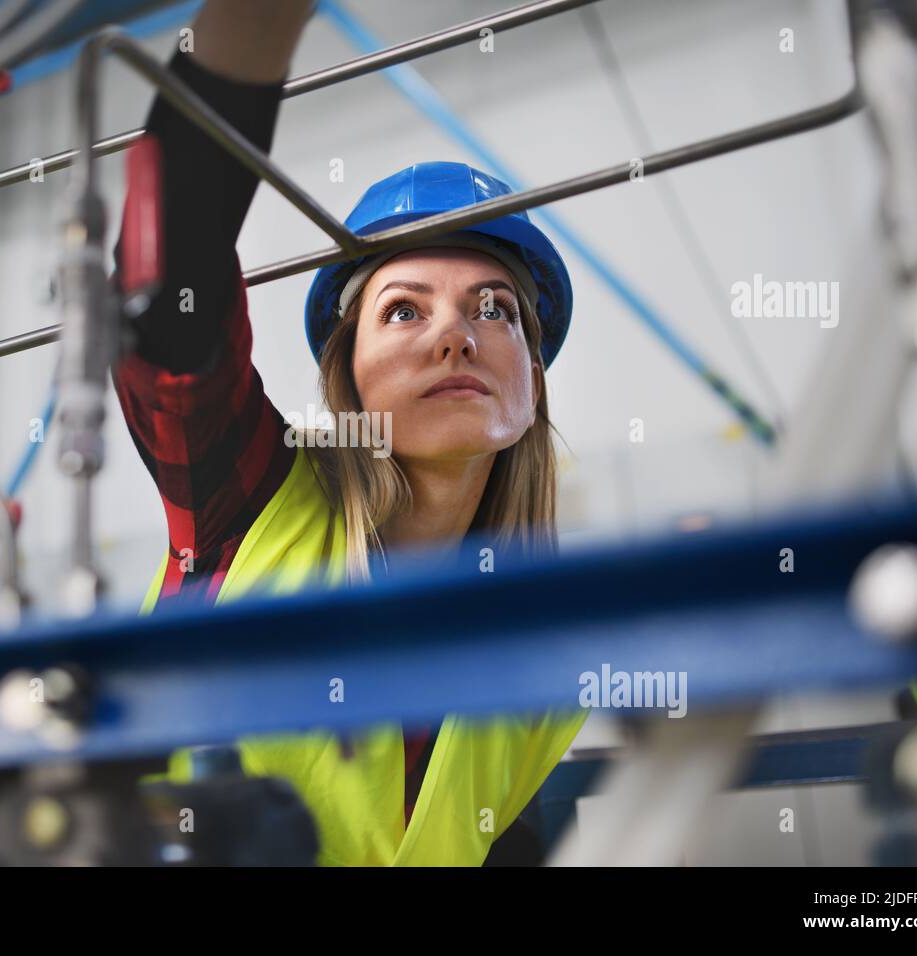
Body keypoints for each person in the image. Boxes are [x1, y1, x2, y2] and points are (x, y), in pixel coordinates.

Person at [112, 0, 585, 866]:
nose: (457, 335)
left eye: (496, 310)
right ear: (349, 377)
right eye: (404, 310)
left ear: (532, 382)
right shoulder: (249, 496)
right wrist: (246, 35)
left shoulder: (552, 657)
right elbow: (166, 313)